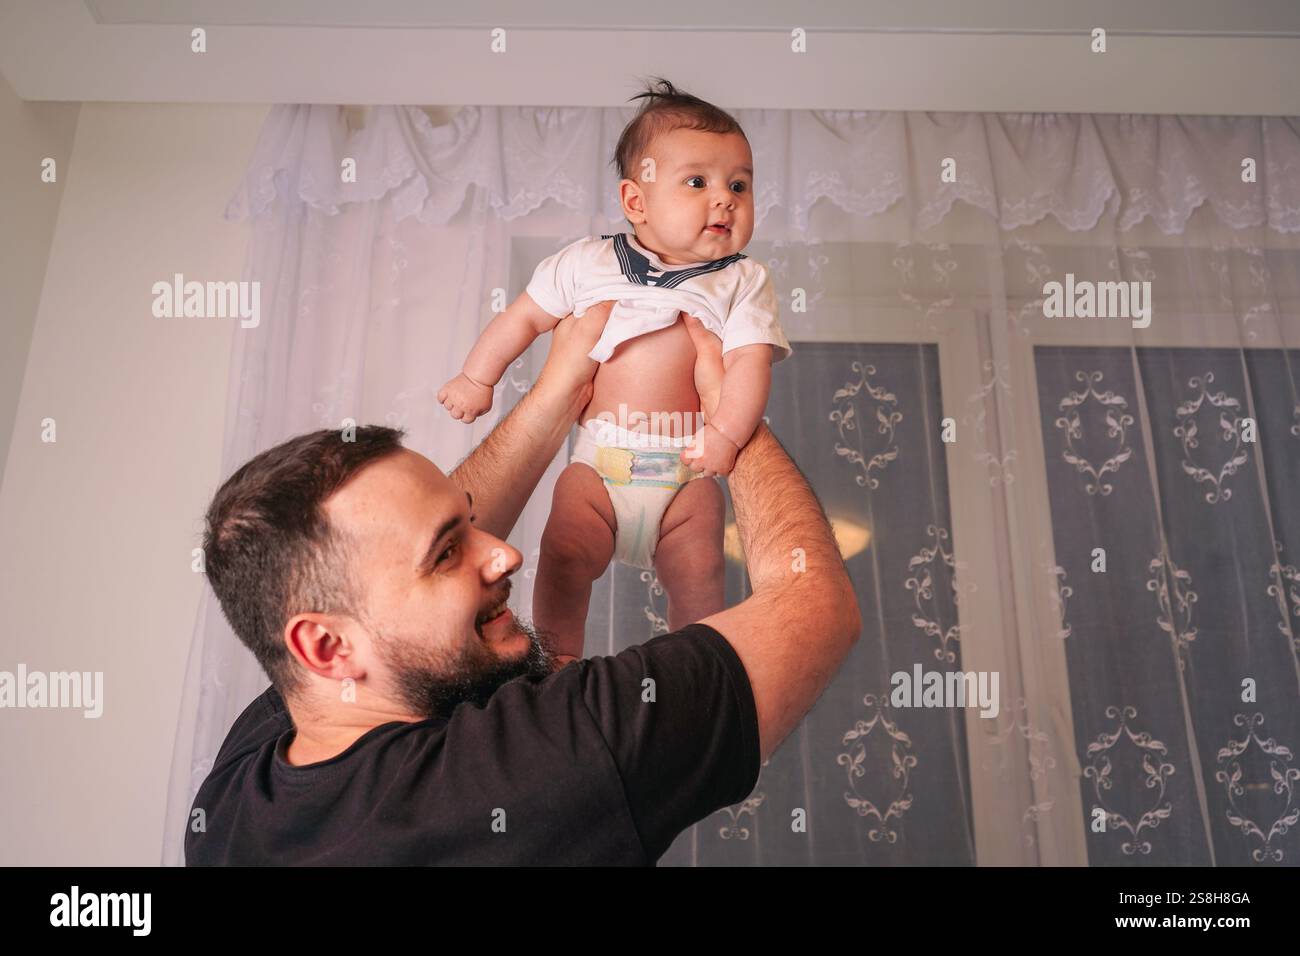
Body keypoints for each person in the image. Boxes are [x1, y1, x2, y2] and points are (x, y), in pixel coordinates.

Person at [185, 300, 860, 865]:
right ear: (327, 648)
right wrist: (730, 417)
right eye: (448, 554)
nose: (506, 553)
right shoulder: (545, 760)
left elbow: (382, 562)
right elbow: (814, 606)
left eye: (468, 526)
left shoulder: (241, 787)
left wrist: (552, 398)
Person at [437, 78, 791, 659]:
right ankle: (559, 658)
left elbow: (750, 361)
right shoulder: (588, 262)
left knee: (702, 569)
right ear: (636, 201)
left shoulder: (742, 281)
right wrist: (479, 376)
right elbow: (523, 318)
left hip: (687, 469)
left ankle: (693, 664)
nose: (724, 198)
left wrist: (725, 433)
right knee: (565, 554)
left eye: (740, 184)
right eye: (697, 182)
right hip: (600, 465)